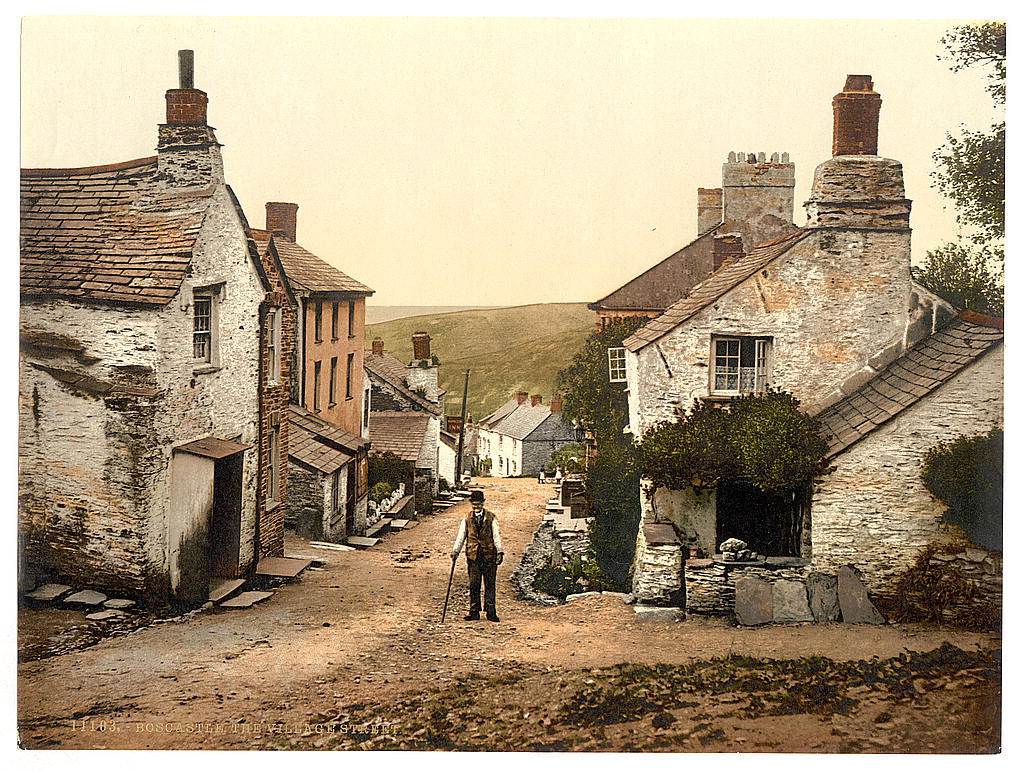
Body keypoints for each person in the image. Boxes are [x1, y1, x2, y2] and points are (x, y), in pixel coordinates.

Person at [451, 489, 503, 622]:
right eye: (474, 504)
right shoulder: (467, 518)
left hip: (489, 555)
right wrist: (455, 551)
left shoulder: (491, 517)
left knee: (490, 584)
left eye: (479, 504)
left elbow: (496, 536)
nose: (476, 507)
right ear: (471, 503)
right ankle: (474, 611)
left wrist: (500, 551)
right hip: (473, 556)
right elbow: (461, 536)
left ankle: (491, 612)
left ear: (483, 503)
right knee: (474, 584)